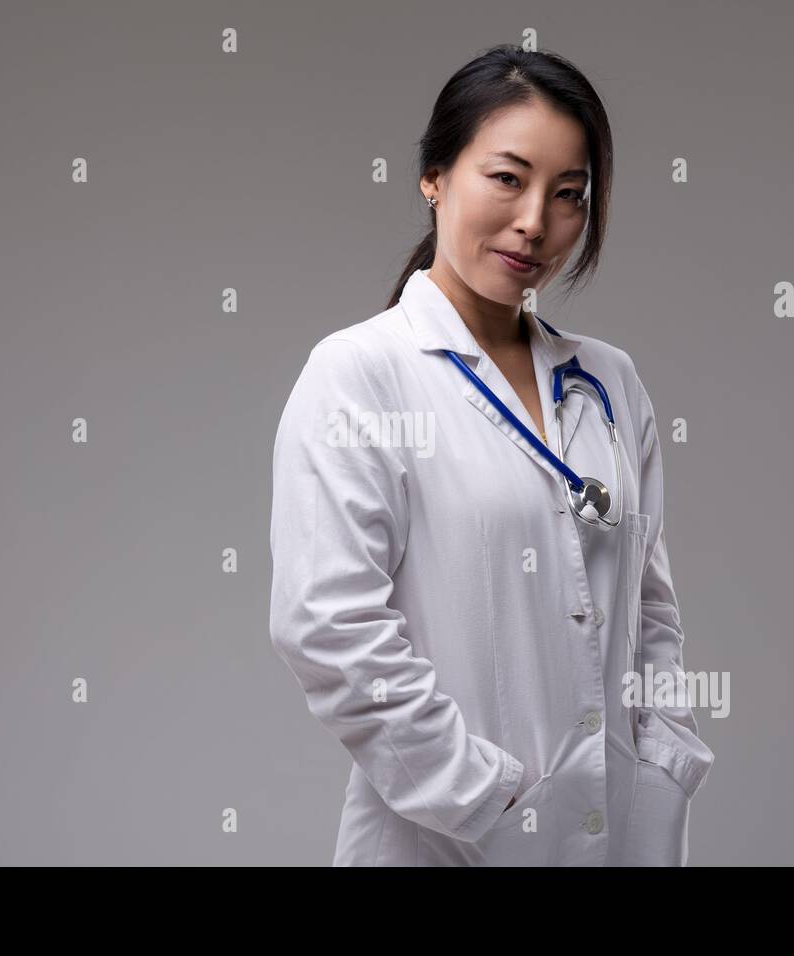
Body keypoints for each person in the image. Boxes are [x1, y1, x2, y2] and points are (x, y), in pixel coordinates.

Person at [268, 44, 714, 866]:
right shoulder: (362, 373)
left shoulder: (609, 382)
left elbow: (651, 616)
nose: (536, 222)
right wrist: (489, 798)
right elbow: (328, 627)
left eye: (569, 195)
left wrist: (664, 769)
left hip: (616, 838)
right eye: (507, 178)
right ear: (434, 176)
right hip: (450, 840)